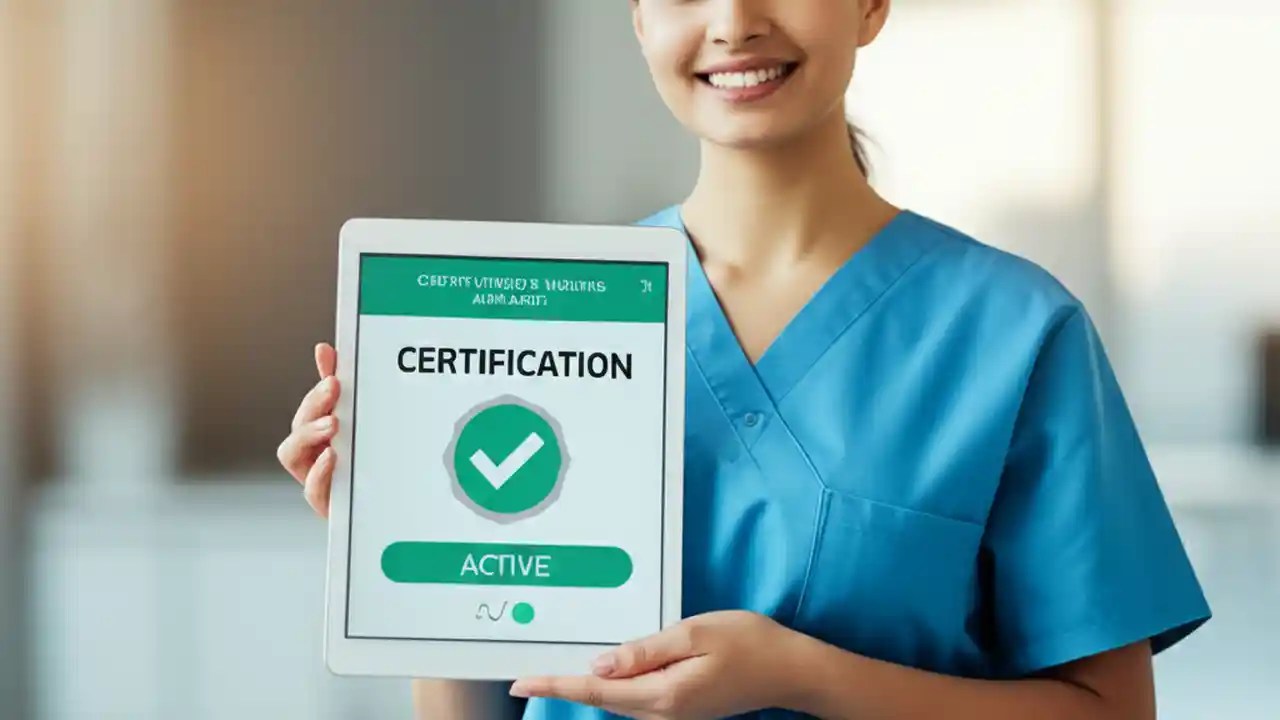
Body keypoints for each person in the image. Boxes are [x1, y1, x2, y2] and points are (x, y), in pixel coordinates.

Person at [276, 1, 1211, 718]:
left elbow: (1111, 711)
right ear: (639, 19)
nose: (733, 22)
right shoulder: (540, 324)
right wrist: (402, 545)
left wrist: (806, 677)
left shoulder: (1016, 332)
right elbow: (485, 704)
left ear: (872, 2)